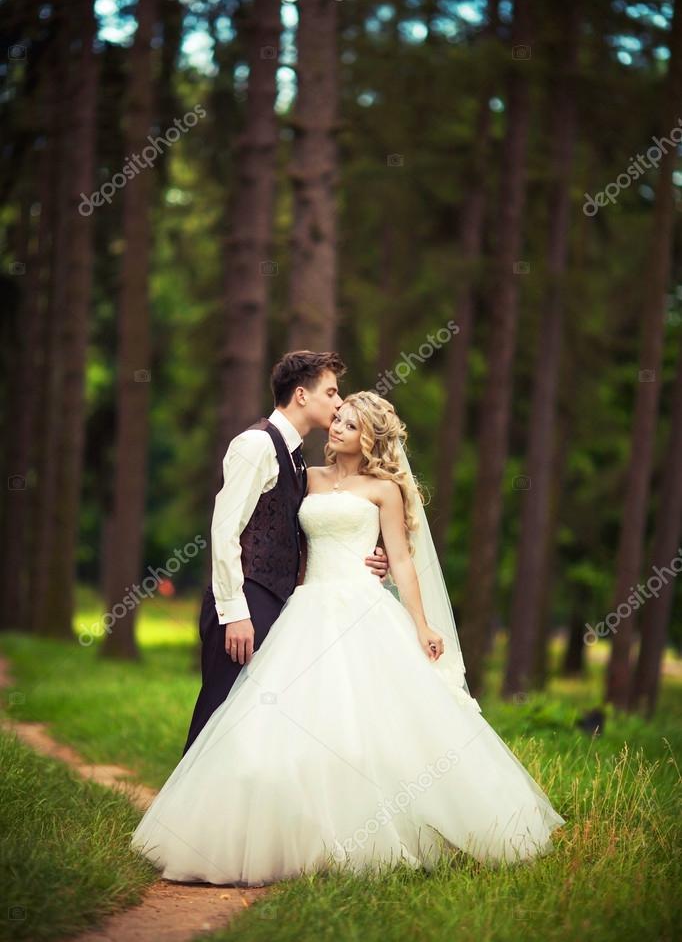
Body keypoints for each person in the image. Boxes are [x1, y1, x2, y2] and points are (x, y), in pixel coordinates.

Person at [132, 392, 565, 885]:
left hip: (363, 607)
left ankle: (379, 833)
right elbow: (282, 537)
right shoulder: (305, 479)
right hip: (307, 606)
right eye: (337, 418)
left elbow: (401, 560)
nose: (336, 427)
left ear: (371, 440)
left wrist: (421, 623)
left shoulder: (384, 489)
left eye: (350, 425)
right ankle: (285, 834)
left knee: (370, 727)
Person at [182, 352, 388, 754]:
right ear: (301, 395)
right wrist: (235, 611)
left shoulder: (295, 459)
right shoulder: (256, 444)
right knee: (217, 716)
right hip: (245, 601)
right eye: (330, 392)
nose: (338, 401)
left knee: (249, 726)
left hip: (276, 603)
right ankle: (184, 814)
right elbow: (225, 531)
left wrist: (367, 554)